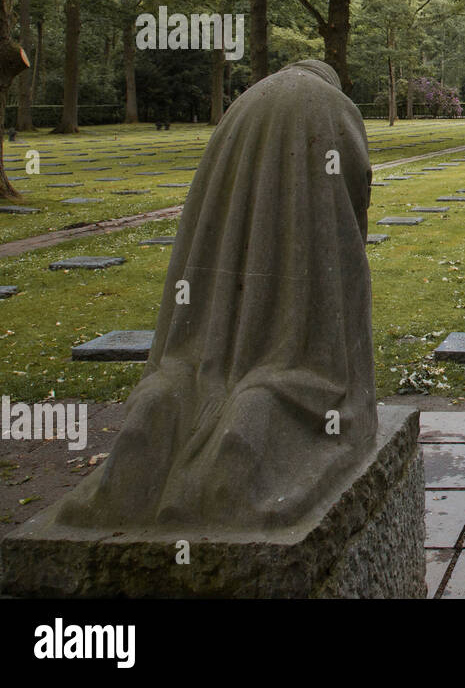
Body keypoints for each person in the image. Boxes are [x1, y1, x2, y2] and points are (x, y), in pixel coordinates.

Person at [53, 60, 377, 531]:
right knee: (288, 374)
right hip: (298, 258)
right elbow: (353, 186)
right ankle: (247, 429)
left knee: (185, 375)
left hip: (230, 276)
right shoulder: (332, 105)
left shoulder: (242, 107)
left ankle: (163, 408)